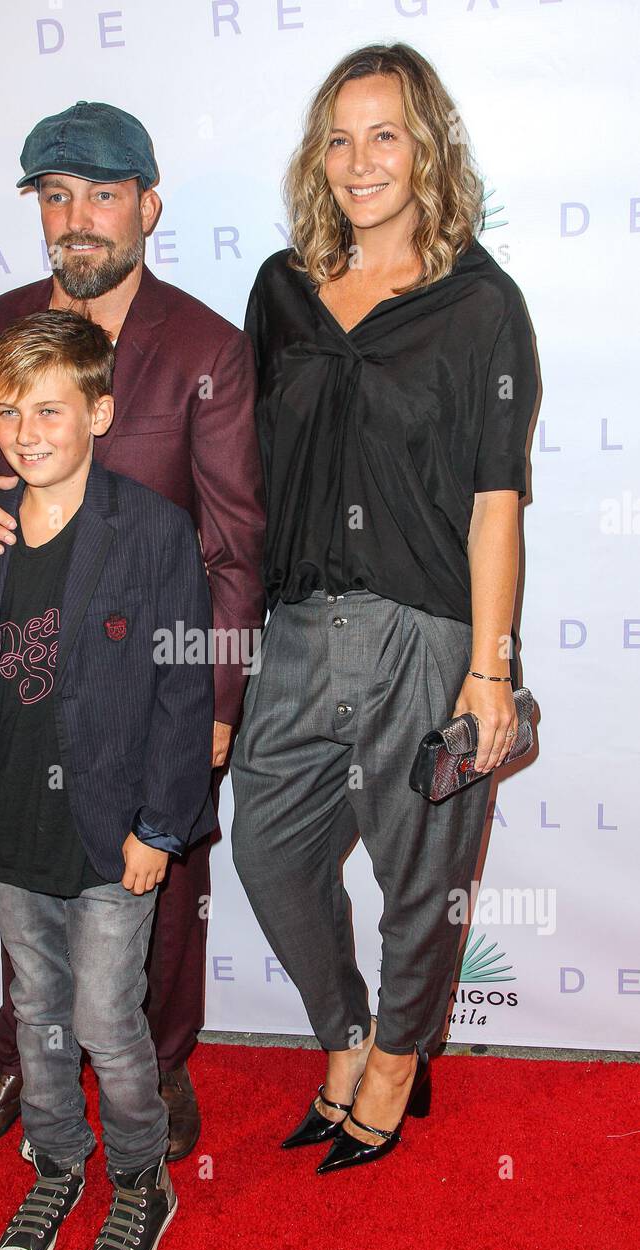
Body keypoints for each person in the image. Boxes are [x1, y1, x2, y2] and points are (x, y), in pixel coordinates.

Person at [0, 101, 265, 1162]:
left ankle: (157, 1065)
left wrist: (216, 701)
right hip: (23, 672)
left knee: (157, 880)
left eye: (102, 195)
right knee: (27, 876)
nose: (75, 218)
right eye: (55, 195)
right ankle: (26, 1064)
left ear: (147, 207)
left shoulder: (206, 347)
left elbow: (235, 543)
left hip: (153, 682)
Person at [230, 43, 539, 1173]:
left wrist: (489, 672)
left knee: (421, 876)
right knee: (267, 849)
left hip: (425, 632)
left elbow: (495, 503)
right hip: (299, 627)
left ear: (427, 151)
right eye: (339, 138)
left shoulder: (480, 305)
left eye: (386, 135)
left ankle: (399, 1059)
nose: (360, 161)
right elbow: (241, 466)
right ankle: (346, 1030)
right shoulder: (280, 291)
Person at [0, 308, 216, 1250]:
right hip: (14, 816)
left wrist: (161, 826)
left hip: (114, 830)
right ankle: (57, 1163)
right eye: (9, 411)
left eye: (49, 409)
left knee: (105, 1017)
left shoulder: (153, 529)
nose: (26, 433)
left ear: (99, 411)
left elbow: (184, 689)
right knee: (38, 1014)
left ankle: (140, 1179)